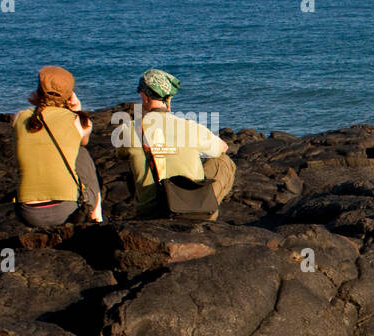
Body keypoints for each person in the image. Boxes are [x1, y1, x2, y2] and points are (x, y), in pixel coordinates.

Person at [115, 68, 236, 217]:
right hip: (191, 209)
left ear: (145, 97)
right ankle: (205, 208)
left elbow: (121, 155)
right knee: (223, 161)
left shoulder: (128, 129)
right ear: (169, 98)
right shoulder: (191, 127)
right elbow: (223, 147)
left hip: (150, 212)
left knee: (134, 161)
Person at [12, 66, 104, 227]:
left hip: (26, 211)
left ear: (39, 90)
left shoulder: (19, 118)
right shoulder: (80, 122)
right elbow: (83, 141)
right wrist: (76, 109)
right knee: (81, 153)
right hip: (66, 210)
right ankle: (97, 217)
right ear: (70, 95)